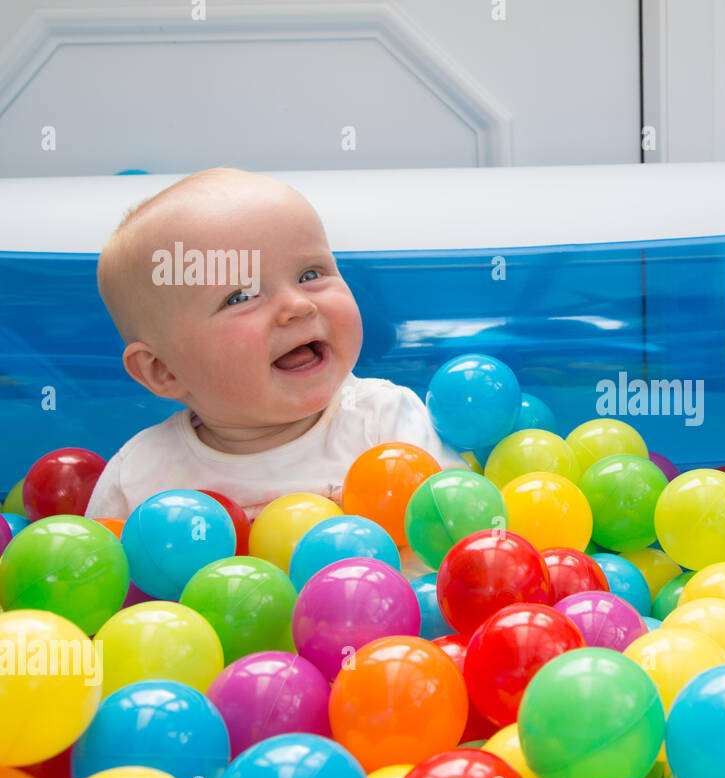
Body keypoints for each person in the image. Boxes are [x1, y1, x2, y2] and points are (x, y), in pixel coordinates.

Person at [85, 168, 465, 572]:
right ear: (163, 371)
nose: (298, 305)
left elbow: (456, 545)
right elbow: (98, 584)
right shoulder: (140, 477)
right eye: (241, 296)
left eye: (310, 274)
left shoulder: (384, 423)